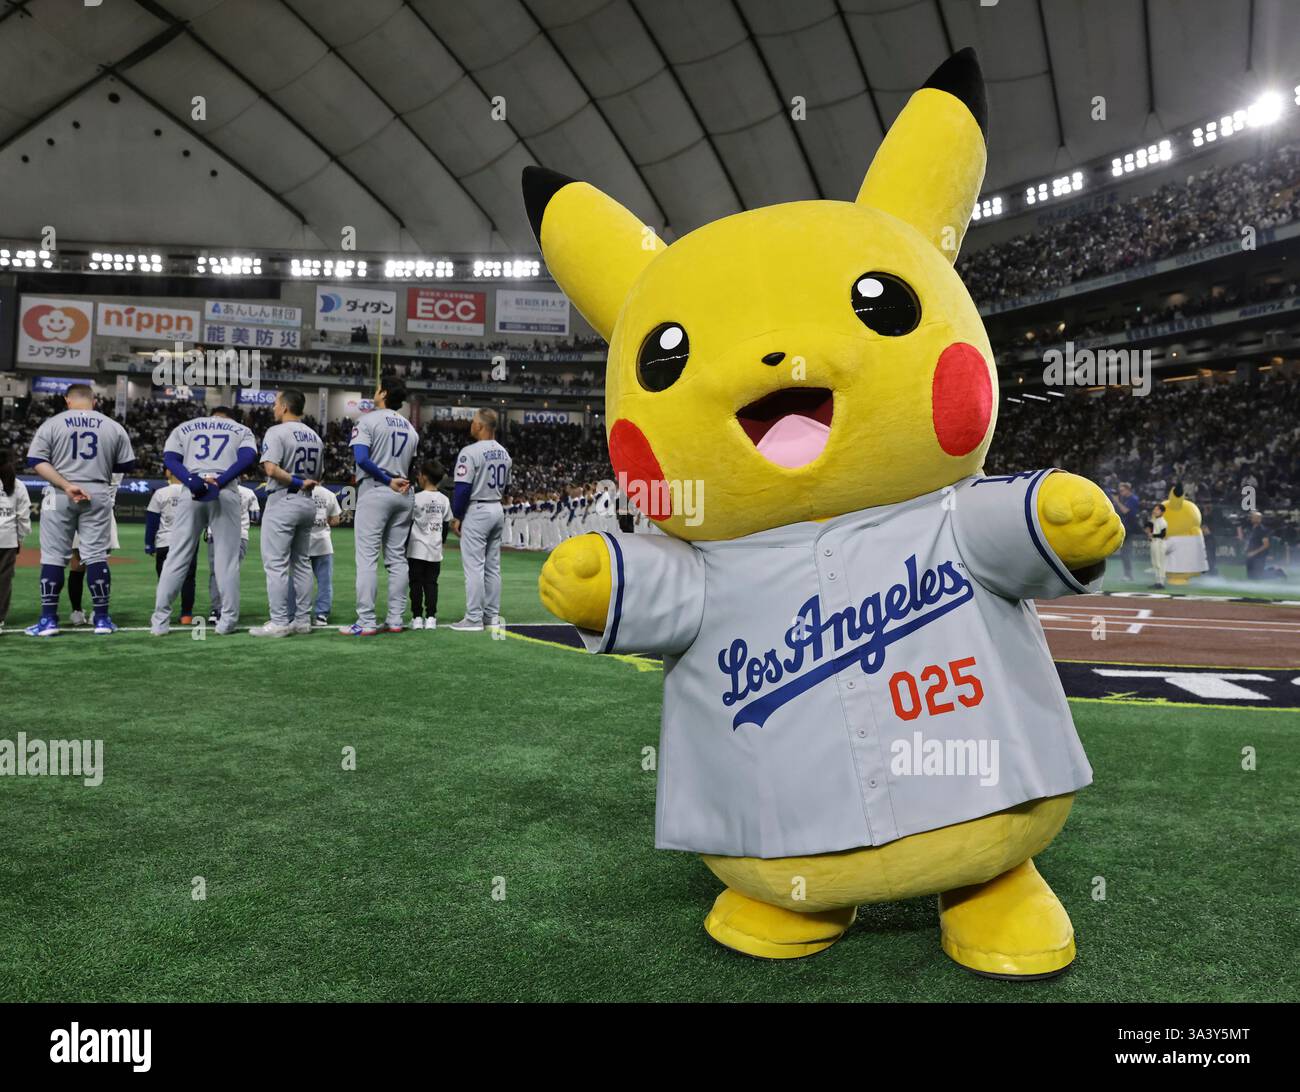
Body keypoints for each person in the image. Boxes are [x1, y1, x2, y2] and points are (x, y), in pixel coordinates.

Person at [24, 384, 135, 636]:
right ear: (94, 401)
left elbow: (36, 461)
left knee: (53, 557)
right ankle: (102, 620)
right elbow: (127, 464)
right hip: (97, 491)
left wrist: (66, 484)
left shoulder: (52, 423)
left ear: (67, 400)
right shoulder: (112, 426)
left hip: (60, 492)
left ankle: (48, 621)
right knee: (96, 556)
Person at [150, 406, 258, 636]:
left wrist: (191, 480)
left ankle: (160, 622)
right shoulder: (241, 429)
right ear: (230, 417)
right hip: (226, 491)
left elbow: (170, 459)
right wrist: (220, 480)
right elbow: (248, 457)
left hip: (192, 491)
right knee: (226, 562)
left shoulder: (185, 427)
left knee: (177, 557)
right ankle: (227, 622)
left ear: (211, 414)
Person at [340, 380, 419, 637]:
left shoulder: (367, 420)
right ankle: (395, 619)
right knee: (397, 559)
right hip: (404, 492)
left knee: (367, 558)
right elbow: (411, 466)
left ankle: (366, 621)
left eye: (377, 389)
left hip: (377, 488)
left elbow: (362, 459)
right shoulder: (411, 428)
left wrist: (386, 480)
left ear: (384, 393)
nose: (374, 393)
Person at [250, 390, 324, 638]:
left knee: (276, 564)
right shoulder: (315, 436)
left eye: (275, 404)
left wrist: (296, 481)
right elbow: (319, 475)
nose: (273, 408)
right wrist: (302, 483)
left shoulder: (276, 431)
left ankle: (280, 621)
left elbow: (270, 469)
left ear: (284, 407)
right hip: (307, 502)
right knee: (301, 563)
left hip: (284, 499)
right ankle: (302, 620)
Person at [449, 408, 512, 632]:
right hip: (496, 507)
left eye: (473, 422)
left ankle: (473, 618)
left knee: (474, 567)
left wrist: (457, 516)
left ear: (481, 426)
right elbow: (508, 488)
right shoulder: (504, 452)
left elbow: (462, 489)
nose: (471, 425)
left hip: (478, 509)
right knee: (493, 567)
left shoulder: (470, 452)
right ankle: (491, 615)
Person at [145, 470, 199, 623]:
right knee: (188, 579)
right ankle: (186, 615)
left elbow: (152, 521)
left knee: (163, 579)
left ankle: (162, 615)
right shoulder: (192, 492)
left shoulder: (160, 493)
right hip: (188, 541)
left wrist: (149, 544)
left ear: (168, 472)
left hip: (165, 541)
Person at [408, 460, 451, 630]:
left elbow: (409, 523)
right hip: (435, 548)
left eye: (419, 474)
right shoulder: (444, 500)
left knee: (416, 583)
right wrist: (442, 543)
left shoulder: (415, 498)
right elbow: (446, 524)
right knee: (432, 583)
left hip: (416, 548)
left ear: (424, 477)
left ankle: (417, 617)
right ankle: (431, 617)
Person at [0, 448, 32, 633]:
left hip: (8, 539)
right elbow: (23, 516)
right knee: (4, 581)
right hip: (7, 538)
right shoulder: (17, 484)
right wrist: (20, 537)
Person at [307, 483, 342, 626]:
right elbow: (335, 520)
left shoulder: (299, 491)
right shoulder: (329, 494)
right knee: (324, 582)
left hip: (303, 542)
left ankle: (298, 613)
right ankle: (321, 615)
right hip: (323, 542)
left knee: (298, 580)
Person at [1111, 481, 1141, 580]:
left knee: (1126, 553)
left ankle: (1128, 575)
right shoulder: (1125, 499)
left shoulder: (1133, 499)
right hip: (1124, 528)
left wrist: (1117, 501)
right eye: (1120, 491)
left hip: (1130, 529)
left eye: (1122, 490)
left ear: (1128, 490)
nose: (1121, 492)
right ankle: (1127, 574)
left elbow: (1125, 511)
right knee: (1124, 553)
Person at [1242, 511, 1271, 580]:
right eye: (1253, 517)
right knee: (1250, 576)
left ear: (1259, 519)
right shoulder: (1251, 529)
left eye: (1255, 517)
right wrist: (1246, 548)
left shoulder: (1262, 530)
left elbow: (1266, 545)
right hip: (1250, 556)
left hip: (1259, 557)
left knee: (1258, 576)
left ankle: (1276, 572)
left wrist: (1254, 553)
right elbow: (1249, 540)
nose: (1253, 518)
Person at [1147, 502, 1167, 589]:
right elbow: (1149, 527)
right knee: (1155, 563)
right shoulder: (1154, 520)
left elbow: (1163, 535)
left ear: (1162, 512)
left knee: (1159, 563)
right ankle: (1157, 581)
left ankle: (1161, 582)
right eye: (1155, 509)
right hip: (1154, 542)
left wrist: (1153, 535)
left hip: (1159, 543)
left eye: (1157, 509)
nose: (1155, 511)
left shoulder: (1163, 521)